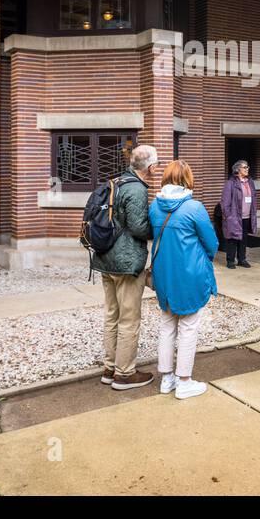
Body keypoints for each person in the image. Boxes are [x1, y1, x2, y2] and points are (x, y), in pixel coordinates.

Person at [148, 160, 219, 400]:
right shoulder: (194, 207)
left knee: (167, 325)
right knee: (188, 326)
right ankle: (184, 382)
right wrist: (203, 258)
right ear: (188, 179)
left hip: (163, 273)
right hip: (190, 274)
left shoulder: (155, 207)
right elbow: (212, 243)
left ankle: (167, 378)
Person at [92, 143, 159, 390]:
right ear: (150, 167)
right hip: (126, 263)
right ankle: (125, 374)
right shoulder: (137, 189)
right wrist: (158, 229)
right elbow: (139, 227)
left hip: (106, 258)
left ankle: (110, 368)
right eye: (156, 164)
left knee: (112, 315)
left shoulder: (117, 182)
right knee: (129, 319)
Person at [220, 160, 257, 269]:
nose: (247, 169)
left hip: (247, 216)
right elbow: (225, 202)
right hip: (234, 216)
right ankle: (230, 261)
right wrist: (228, 216)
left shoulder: (250, 182)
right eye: (244, 167)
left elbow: (253, 198)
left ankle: (242, 259)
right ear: (238, 169)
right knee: (232, 238)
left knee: (243, 238)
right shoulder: (231, 183)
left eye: (247, 167)